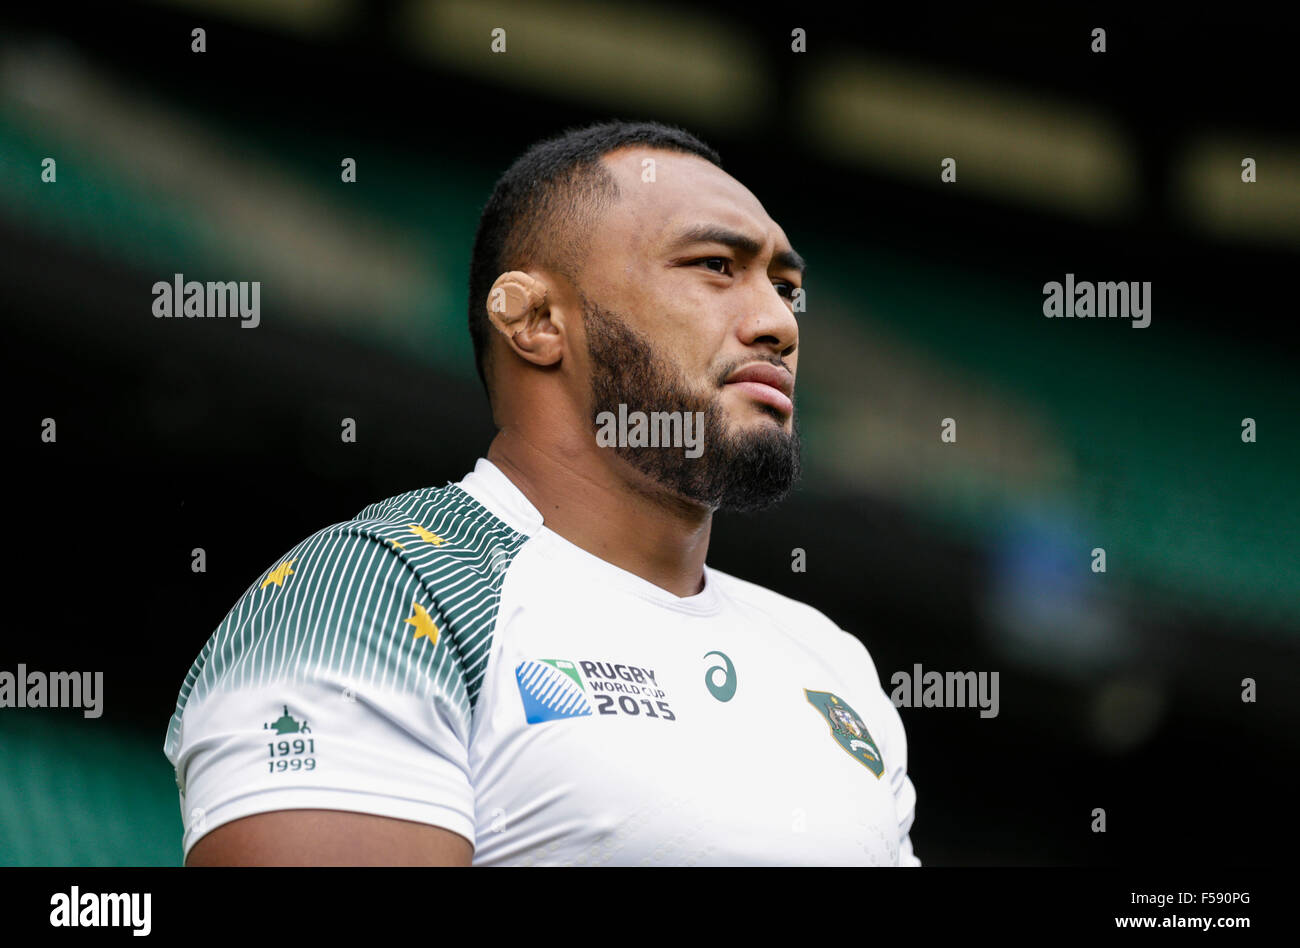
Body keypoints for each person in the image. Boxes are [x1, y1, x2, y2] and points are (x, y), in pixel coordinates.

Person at [164, 119, 919, 866]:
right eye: (716, 266)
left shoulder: (832, 661)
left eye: (785, 287)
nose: (778, 323)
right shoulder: (382, 595)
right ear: (535, 321)